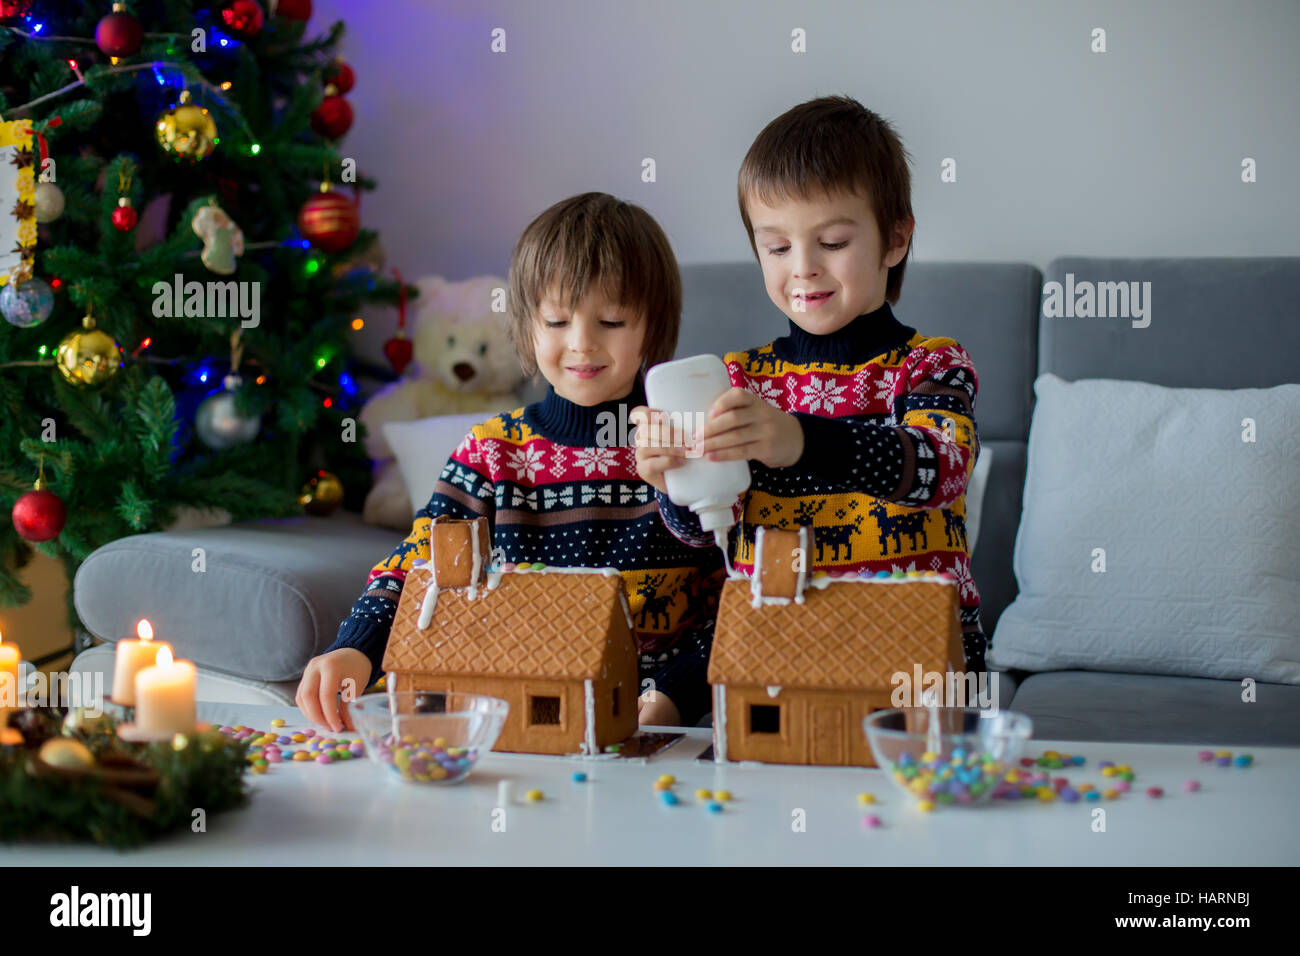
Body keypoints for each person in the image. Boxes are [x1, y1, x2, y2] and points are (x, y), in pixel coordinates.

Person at [298, 192, 723, 732]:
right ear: (526, 326)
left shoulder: (683, 442)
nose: (582, 343)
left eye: (612, 321)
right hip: (516, 713)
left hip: (653, 723)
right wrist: (357, 646)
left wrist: (678, 690)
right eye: (557, 320)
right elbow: (419, 561)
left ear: (653, 327)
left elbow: (733, 590)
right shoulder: (494, 451)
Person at [633, 95, 987, 673]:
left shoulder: (930, 365)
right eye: (777, 247)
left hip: (916, 657)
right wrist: (675, 484)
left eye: (833, 243)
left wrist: (799, 440)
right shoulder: (738, 380)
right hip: (777, 656)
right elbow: (704, 536)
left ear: (895, 240)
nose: (802, 267)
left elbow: (939, 471)